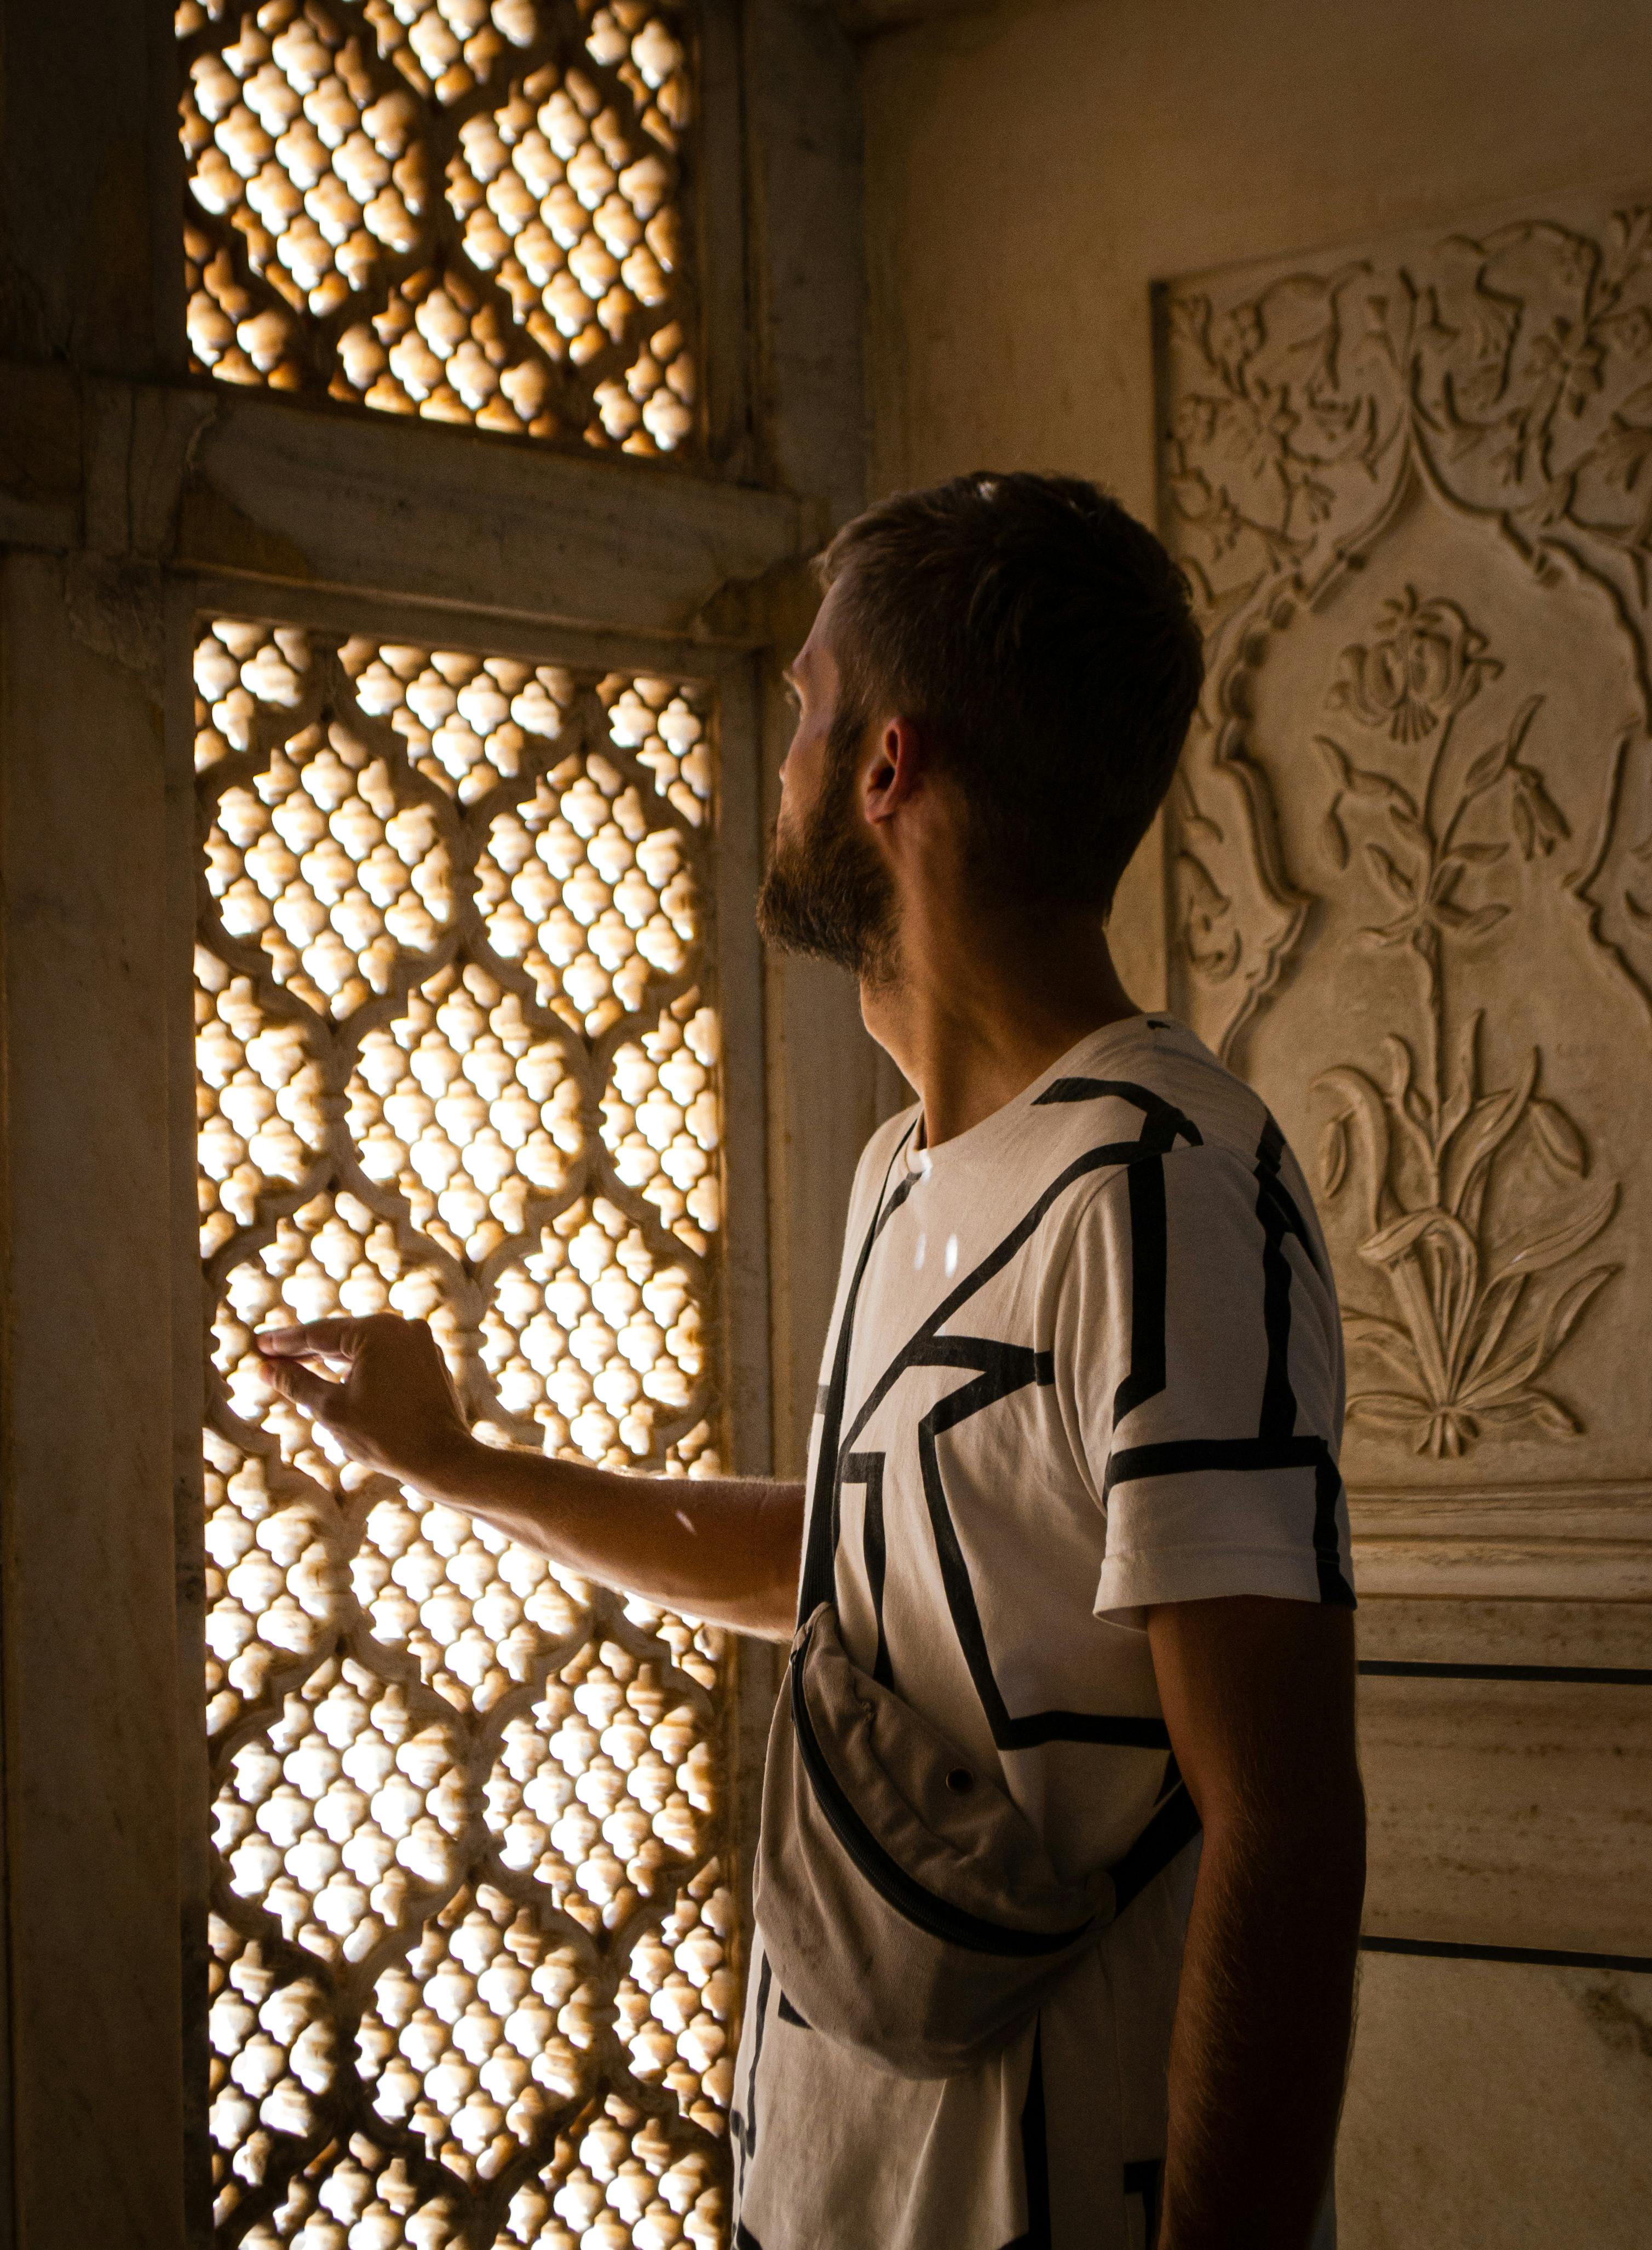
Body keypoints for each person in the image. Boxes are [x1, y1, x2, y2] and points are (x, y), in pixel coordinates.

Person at [259, 473, 1365, 2250]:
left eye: (798, 714)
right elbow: (872, 1578)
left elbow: (1286, 1822)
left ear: (886, 767)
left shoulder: (1166, 1189)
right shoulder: (903, 1172)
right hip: (841, 2171)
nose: (771, 767)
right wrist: (458, 1467)